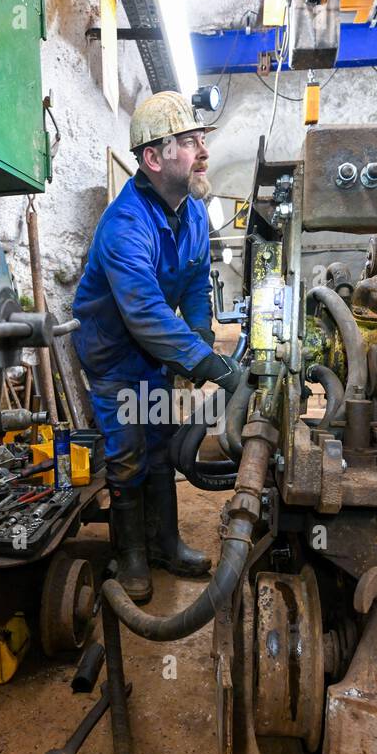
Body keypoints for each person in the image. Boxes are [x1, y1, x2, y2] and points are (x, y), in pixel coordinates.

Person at [71, 92, 243, 604]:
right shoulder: (125, 225)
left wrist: (202, 336)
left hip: (154, 356)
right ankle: (130, 558)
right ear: (153, 158)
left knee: (162, 448)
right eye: (190, 141)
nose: (202, 151)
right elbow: (144, 313)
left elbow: (193, 281)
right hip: (115, 357)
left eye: (201, 140)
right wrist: (213, 366)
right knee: (127, 455)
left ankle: (166, 545)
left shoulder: (191, 211)